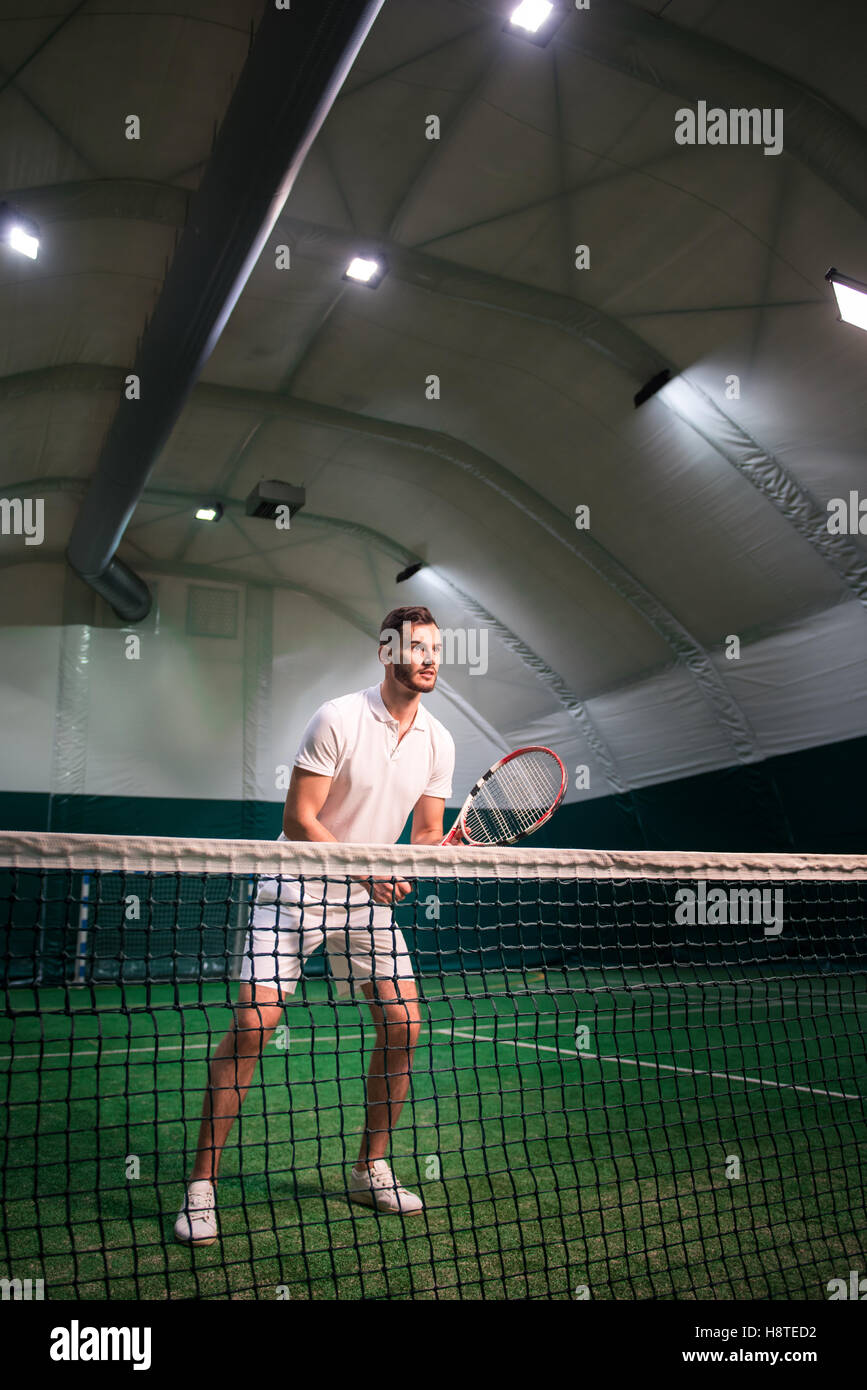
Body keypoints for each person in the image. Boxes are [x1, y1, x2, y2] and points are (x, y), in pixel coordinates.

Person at [175, 605, 455, 1245]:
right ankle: (201, 1188)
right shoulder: (338, 717)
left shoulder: (439, 740)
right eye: (417, 647)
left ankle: (370, 1167)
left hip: (363, 903)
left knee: (405, 1024)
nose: (431, 658)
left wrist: (435, 856)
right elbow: (301, 817)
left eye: (437, 648)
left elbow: (429, 834)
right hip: (294, 886)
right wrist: (366, 873)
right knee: (253, 1026)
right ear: (387, 653)